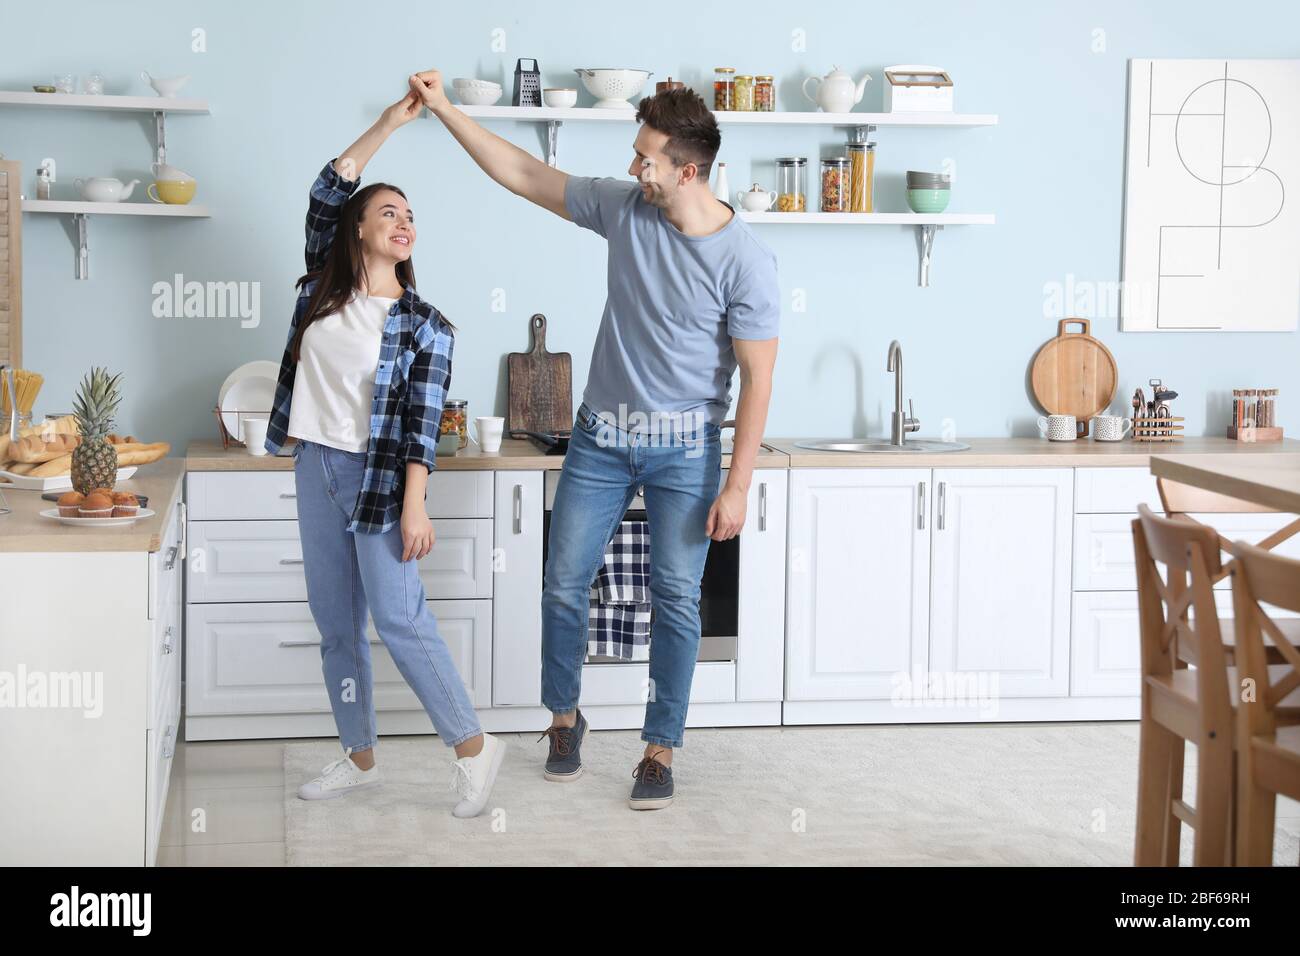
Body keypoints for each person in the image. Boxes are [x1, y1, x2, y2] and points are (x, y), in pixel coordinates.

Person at [409, 70, 779, 810]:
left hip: (686, 448)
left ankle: (658, 748)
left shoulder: (746, 260)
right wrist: (446, 110)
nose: (634, 167)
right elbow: (524, 173)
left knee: (676, 598)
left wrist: (737, 485)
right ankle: (564, 719)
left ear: (688, 170)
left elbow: (757, 382)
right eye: (636, 155)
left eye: (647, 158)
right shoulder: (624, 208)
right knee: (562, 581)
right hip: (602, 438)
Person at [262, 91, 505, 818]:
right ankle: (359, 755)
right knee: (337, 625)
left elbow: (421, 425)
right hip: (316, 470)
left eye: (410, 215)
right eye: (388, 213)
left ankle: (473, 747)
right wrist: (393, 124)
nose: (404, 224)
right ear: (357, 231)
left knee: (400, 620)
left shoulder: (427, 327)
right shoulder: (321, 287)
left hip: (378, 480)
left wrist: (415, 502)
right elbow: (326, 187)